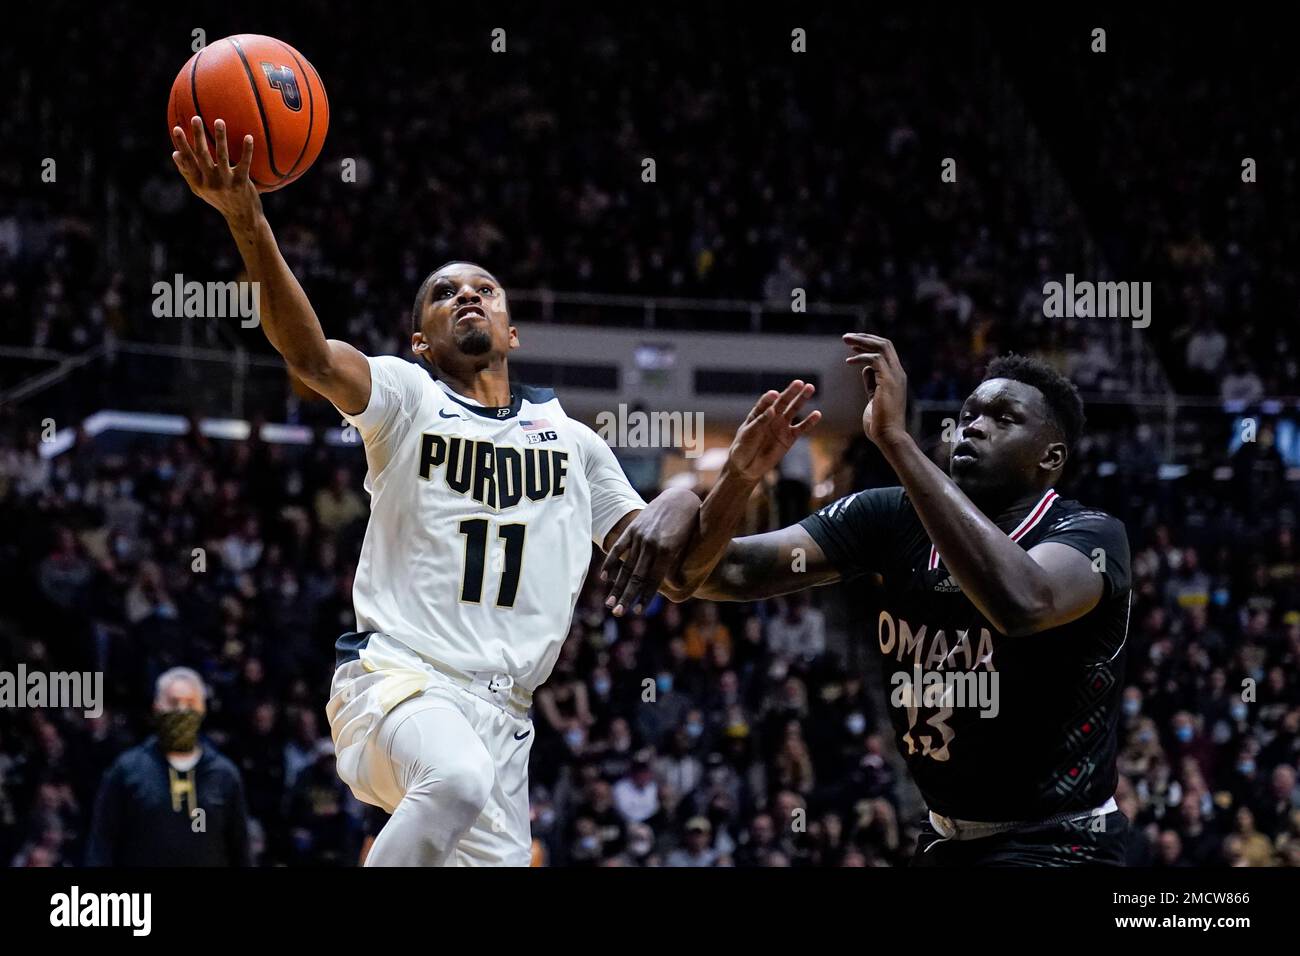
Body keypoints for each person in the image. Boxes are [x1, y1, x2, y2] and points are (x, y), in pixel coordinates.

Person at [168, 117, 726, 866]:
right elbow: (307, 355)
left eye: (485, 289)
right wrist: (250, 221)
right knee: (455, 778)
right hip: (397, 681)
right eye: (444, 292)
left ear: (511, 328)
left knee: (468, 783)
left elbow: (680, 571)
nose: (467, 295)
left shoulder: (578, 445)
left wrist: (697, 495)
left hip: (506, 720)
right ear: (421, 341)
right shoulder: (406, 397)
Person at [638, 337, 1133, 866]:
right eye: (969, 413)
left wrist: (895, 441)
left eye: (1003, 418)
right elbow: (715, 575)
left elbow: (1023, 604)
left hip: (1060, 843)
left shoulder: (1089, 537)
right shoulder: (890, 517)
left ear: (1050, 456)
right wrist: (726, 482)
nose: (974, 425)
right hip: (946, 837)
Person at [86, 667, 250, 866]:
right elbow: (102, 844)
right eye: (173, 703)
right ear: (157, 708)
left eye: (190, 703)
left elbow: (240, 852)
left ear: (202, 709)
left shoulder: (224, 775)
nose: (181, 711)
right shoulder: (127, 771)